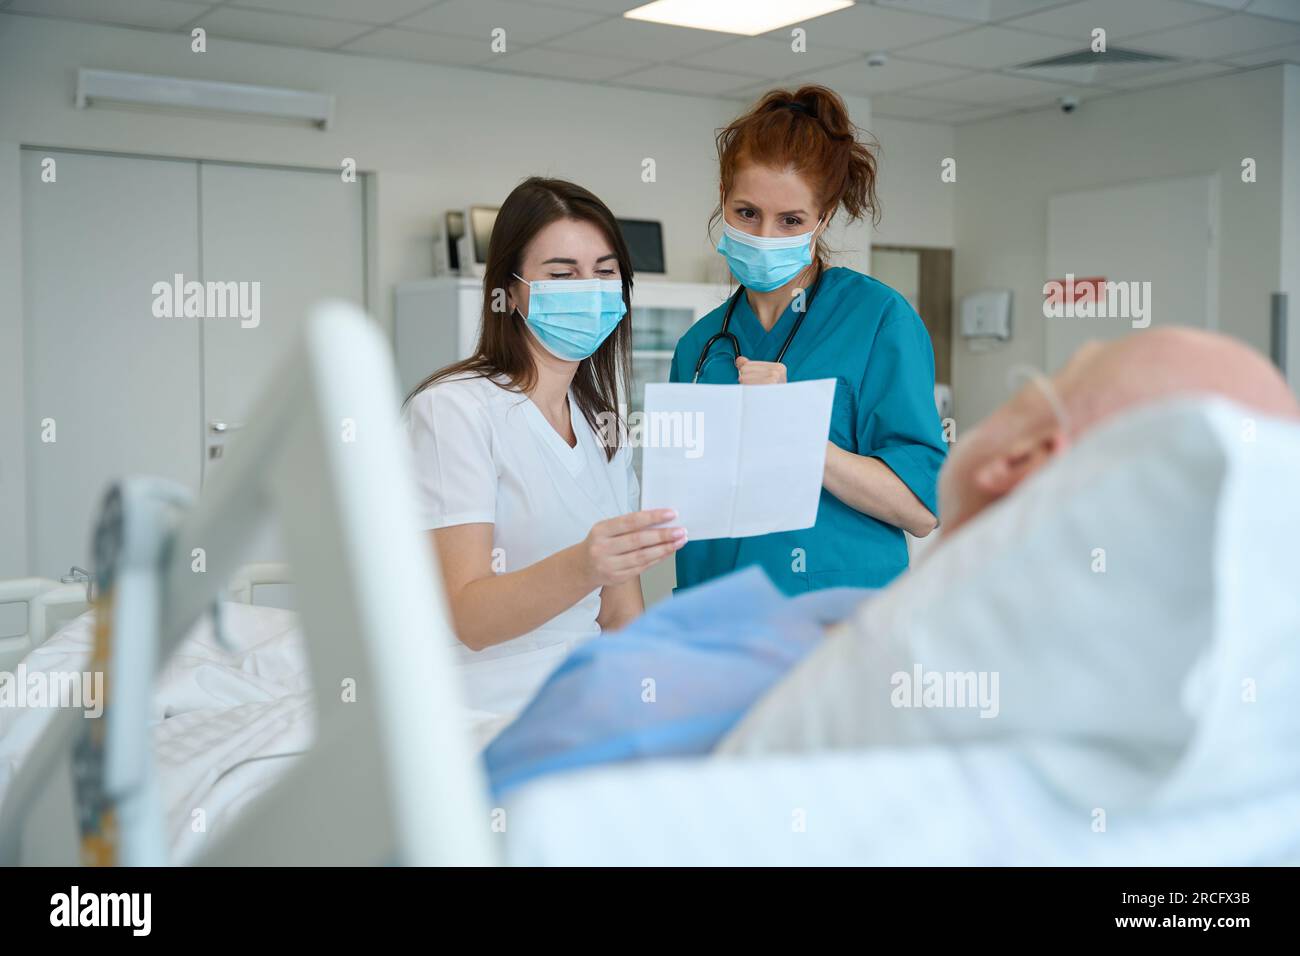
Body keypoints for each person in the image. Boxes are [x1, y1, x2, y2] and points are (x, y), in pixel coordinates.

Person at [485, 327, 1300, 792]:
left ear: (1016, 461)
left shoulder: (728, 676)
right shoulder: (1219, 754)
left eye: (1050, 377)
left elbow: (506, 789)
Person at [404, 177, 685, 719]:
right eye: (562, 274)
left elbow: (622, 614)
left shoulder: (603, 428)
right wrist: (585, 564)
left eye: (605, 273)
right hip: (479, 705)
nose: (590, 289)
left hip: (584, 695)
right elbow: (470, 617)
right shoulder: (454, 412)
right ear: (509, 292)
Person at [668, 85, 948, 595]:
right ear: (723, 201)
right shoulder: (699, 345)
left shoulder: (879, 320)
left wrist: (793, 433)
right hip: (712, 620)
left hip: (838, 630)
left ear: (821, 220)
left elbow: (921, 509)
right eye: (747, 213)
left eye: (790, 220)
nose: (765, 236)